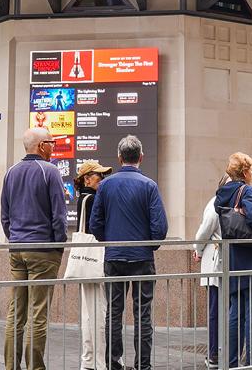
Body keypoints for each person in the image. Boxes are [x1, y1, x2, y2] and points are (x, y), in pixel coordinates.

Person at [89, 135, 168, 370]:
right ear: (141, 157)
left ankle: (114, 364)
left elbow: (95, 224)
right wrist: (150, 245)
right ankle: (143, 365)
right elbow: (160, 228)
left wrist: (110, 241)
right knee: (143, 314)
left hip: (114, 258)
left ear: (119, 157)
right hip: (142, 258)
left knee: (113, 313)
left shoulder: (105, 186)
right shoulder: (149, 186)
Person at [0, 127, 69, 370]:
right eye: (51, 142)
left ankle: (11, 366)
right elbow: (59, 216)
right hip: (43, 250)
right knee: (38, 314)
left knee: (16, 312)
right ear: (41, 146)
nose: (54, 146)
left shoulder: (10, 173)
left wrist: (15, 239)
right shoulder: (49, 171)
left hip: (17, 249)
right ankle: (35, 367)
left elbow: (5, 216)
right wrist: (59, 245)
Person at [214, 153, 252, 368]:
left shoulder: (222, 192)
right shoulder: (247, 190)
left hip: (234, 258)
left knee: (235, 313)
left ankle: (231, 362)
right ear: (245, 171)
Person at [75, 160, 113, 370]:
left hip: (85, 260)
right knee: (99, 311)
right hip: (95, 259)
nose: (103, 179)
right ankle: (99, 361)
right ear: (87, 178)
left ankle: (88, 359)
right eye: (99, 175)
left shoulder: (83, 198)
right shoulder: (93, 199)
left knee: (88, 313)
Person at [194, 175, 228, 369]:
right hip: (222, 262)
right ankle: (219, 353)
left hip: (216, 263)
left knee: (215, 311)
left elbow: (204, 231)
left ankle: (215, 354)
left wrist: (197, 250)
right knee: (223, 310)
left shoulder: (215, 203)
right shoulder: (226, 203)